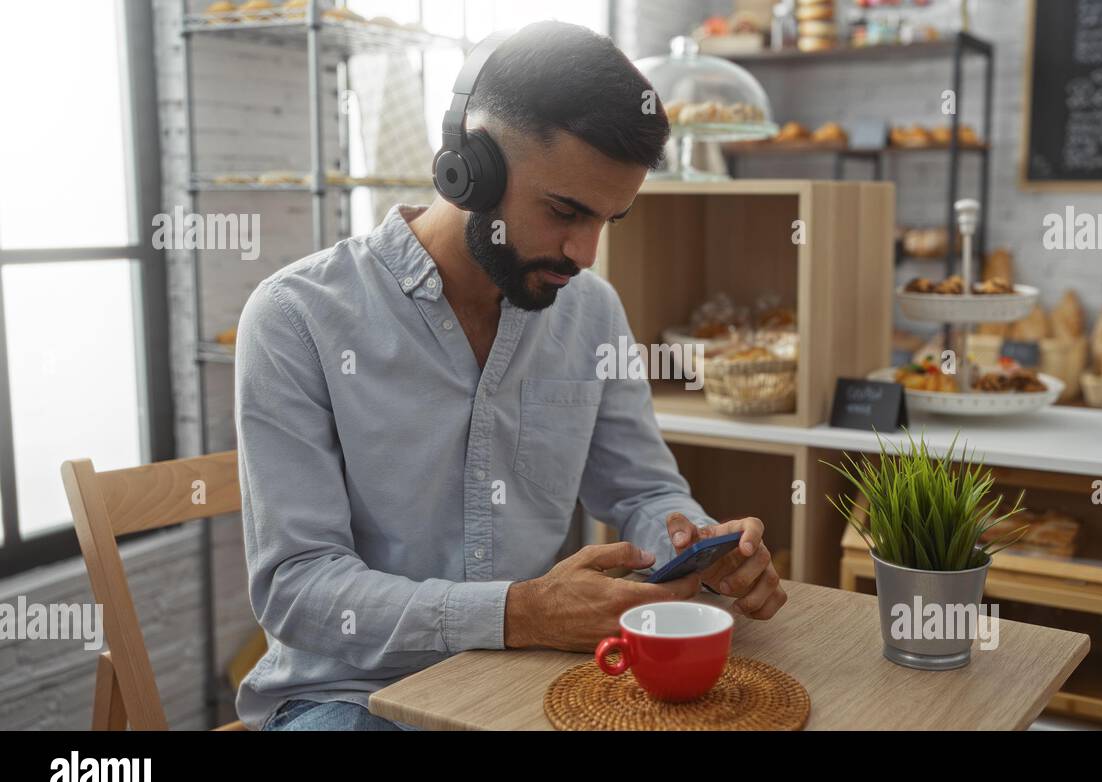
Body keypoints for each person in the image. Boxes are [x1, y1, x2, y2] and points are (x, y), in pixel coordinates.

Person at [235, 21, 786, 731]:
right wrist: (519, 612)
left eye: (609, 219)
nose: (585, 252)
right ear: (468, 167)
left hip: (532, 681)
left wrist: (704, 546)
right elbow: (298, 587)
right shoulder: (295, 317)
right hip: (351, 695)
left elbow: (642, 489)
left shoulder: (590, 311)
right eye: (565, 211)